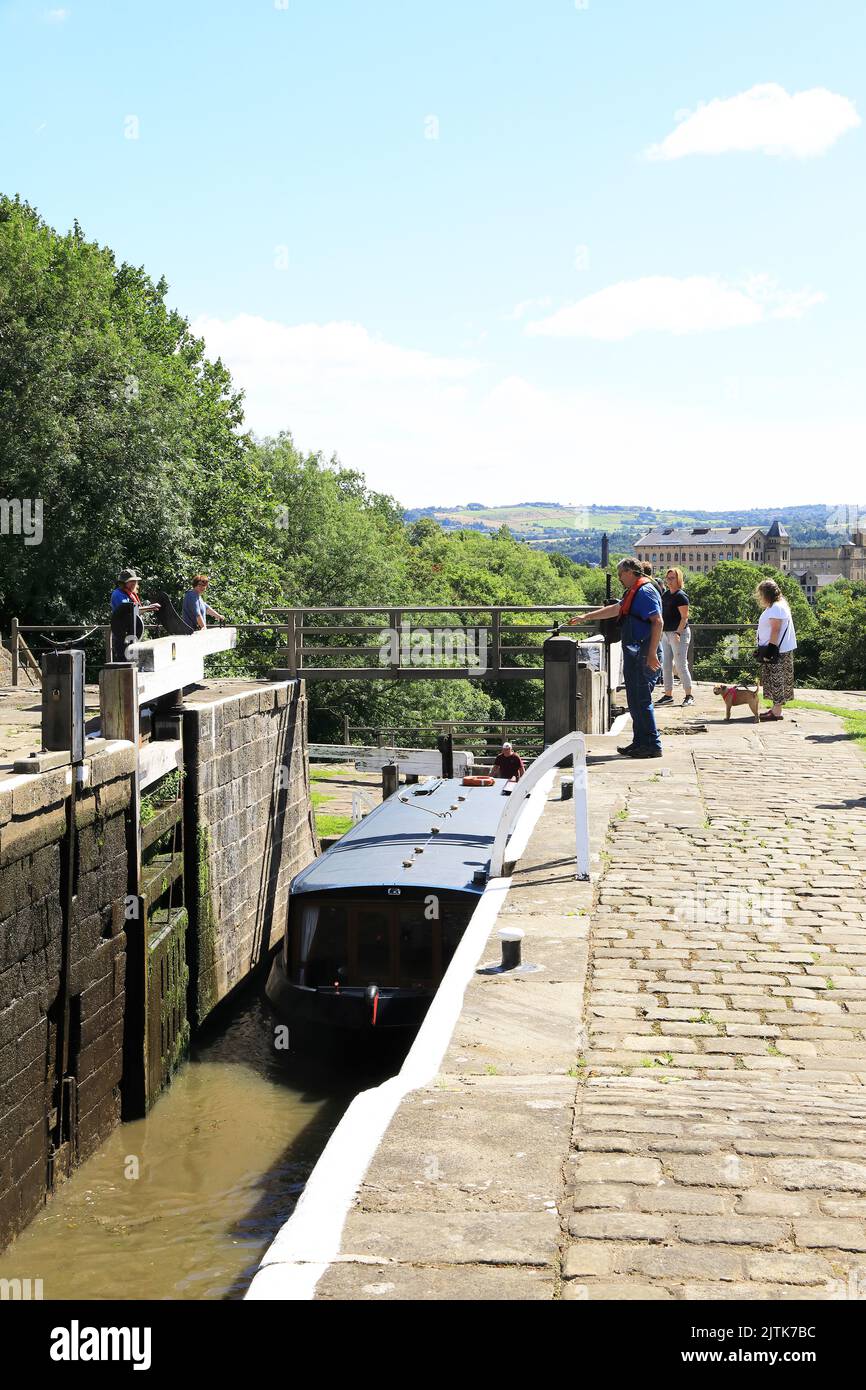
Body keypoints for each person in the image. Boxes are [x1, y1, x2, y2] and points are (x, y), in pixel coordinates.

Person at [569, 557, 663, 758]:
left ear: (631, 572)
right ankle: (640, 743)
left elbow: (658, 622)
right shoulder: (633, 591)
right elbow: (617, 608)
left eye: (621, 574)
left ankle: (652, 745)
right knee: (635, 701)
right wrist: (586, 617)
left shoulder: (645, 591)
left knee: (642, 700)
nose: (619, 578)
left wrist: (653, 653)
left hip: (644, 652)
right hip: (635, 652)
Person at [755, 579, 797, 722]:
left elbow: (775, 629)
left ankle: (777, 712)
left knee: (777, 679)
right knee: (776, 679)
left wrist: (771, 650)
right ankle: (775, 709)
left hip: (777, 650)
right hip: (779, 649)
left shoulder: (776, 608)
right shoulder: (778, 605)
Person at [658, 566, 694, 707]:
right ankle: (668, 695)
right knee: (666, 665)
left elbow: (684, 617)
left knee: (680, 665)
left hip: (679, 633)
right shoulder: (666, 595)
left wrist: (678, 633)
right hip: (666, 633)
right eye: (668, 578)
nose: (669, 580)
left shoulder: (681, 596)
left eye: (672, 578)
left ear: (679, 579)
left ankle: (689, 695)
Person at [109, 568, 160, 660]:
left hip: (133, 634)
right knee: (124, 662)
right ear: (123, 583)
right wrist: (149, 607)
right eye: (130, 581)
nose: (134, 583)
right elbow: (127, 610)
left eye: (134, 581)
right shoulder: (117, 594)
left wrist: (149, 608)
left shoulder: (131, 594)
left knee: (136, 663)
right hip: (123, 635)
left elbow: (136, 612)